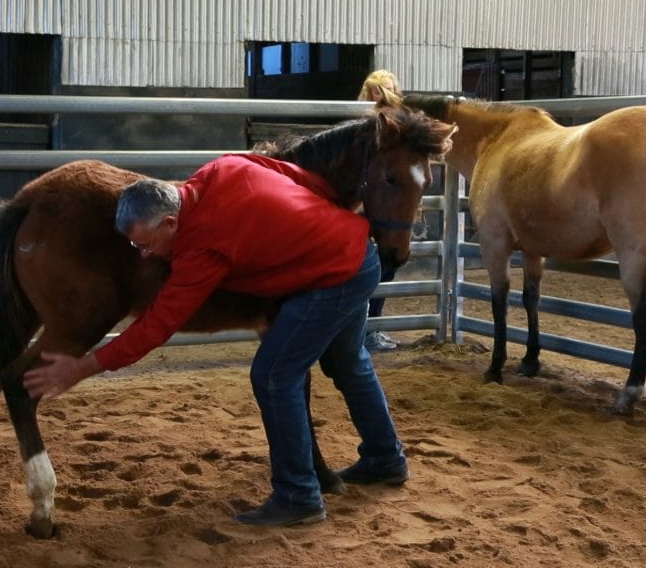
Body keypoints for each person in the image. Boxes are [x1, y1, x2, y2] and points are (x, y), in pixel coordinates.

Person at [23, 153, 409, 527]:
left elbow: (157, 325)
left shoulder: (203, 250)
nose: (144, 255)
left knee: (274, 375)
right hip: (358, 250)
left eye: (146, 244)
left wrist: (86, 364)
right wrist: (327, 215)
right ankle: (385, 458)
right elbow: (294, 173)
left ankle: (298, 496)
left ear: (171, 222)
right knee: (349, 362)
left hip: (334, 277)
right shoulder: (220, 169)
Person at [358, 69, 404, 352]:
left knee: (387, 266)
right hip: (368, 203)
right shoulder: (365, 122)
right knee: (365, 266)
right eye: (380, 90)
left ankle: (373, 326)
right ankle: (362, 329)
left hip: (390, 205)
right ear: (371, 93)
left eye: (390, 89)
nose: (386, 94)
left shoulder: (400, 122)